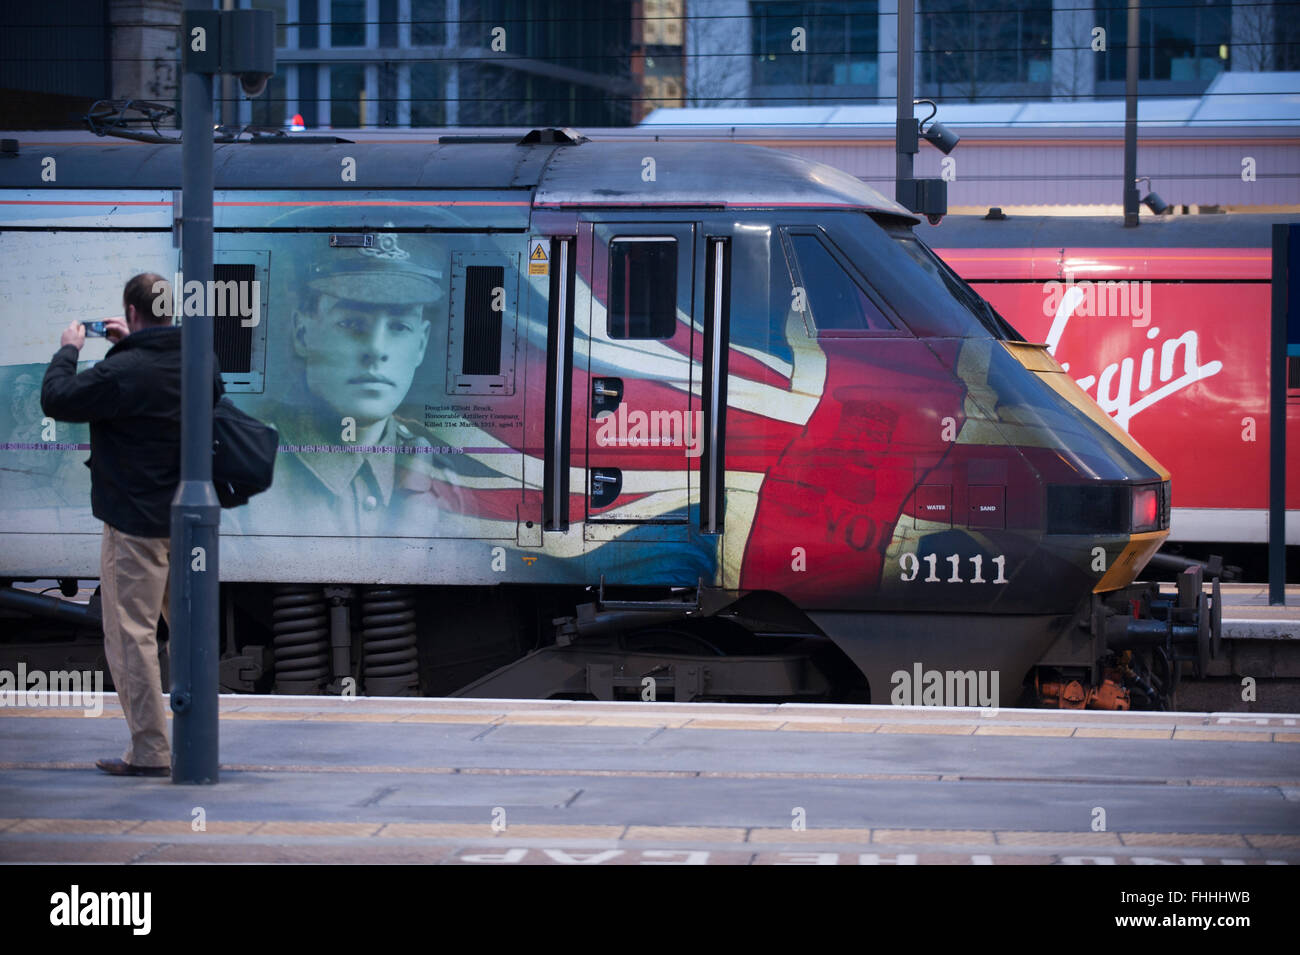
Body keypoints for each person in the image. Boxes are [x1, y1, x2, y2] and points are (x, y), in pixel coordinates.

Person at [40, 273, 223, 777]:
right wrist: (133, 346)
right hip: (191, 523)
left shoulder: (124, 370)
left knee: (132, 637)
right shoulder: (201, 360)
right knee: (190, 633)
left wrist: (70, 349)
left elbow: (57, 398)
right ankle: (199, 742)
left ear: (132, 313)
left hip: (135, 524)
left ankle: (150, 752)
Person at [243, 234, 471, 537]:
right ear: (302, 332)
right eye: (351, 323)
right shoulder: (247, 473)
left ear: (421, 344)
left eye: (399, 326)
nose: (376, 349)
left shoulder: (440, 478)